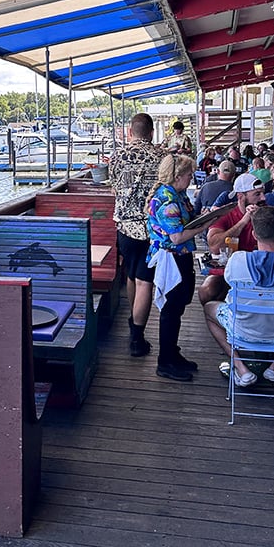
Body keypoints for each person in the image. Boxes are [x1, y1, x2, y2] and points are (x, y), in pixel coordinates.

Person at [203, 206, 274, 386]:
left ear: (254, 234)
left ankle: (241, 368)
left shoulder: (237, 261)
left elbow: (228, 281)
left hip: (241, 332)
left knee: (209, 308)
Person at [146, 154, 209, 381]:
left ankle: (173, 353)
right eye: (189, 175)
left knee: (178, 306)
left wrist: (202, 217)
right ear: (177, 176)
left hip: (181, 256)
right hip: (171, 259)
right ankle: (165, 362)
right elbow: (177, 236)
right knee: (170, 310)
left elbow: (187, 220)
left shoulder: (178, 195)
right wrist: (206, 224)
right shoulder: (167, 200)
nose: (192, 178)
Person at [109, 113, 165, 356]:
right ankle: (136, 338)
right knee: (145, 281)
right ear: (151, 133)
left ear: (130, 132)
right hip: (151, 229)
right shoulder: (162, 157)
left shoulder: (116, 156)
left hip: (124, 227)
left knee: (131, 275)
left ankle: (134, 321)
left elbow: (114, 188)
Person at [197, 173, 267, 305]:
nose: (263, 198)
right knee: (207, 291)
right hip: (231, 270)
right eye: (257, 194)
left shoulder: (270, 213)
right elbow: (214, 246)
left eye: (263, 193)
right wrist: (244, 221)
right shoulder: (225, 213)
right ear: (241, 197)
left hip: (262, 270)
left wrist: (262, 220)